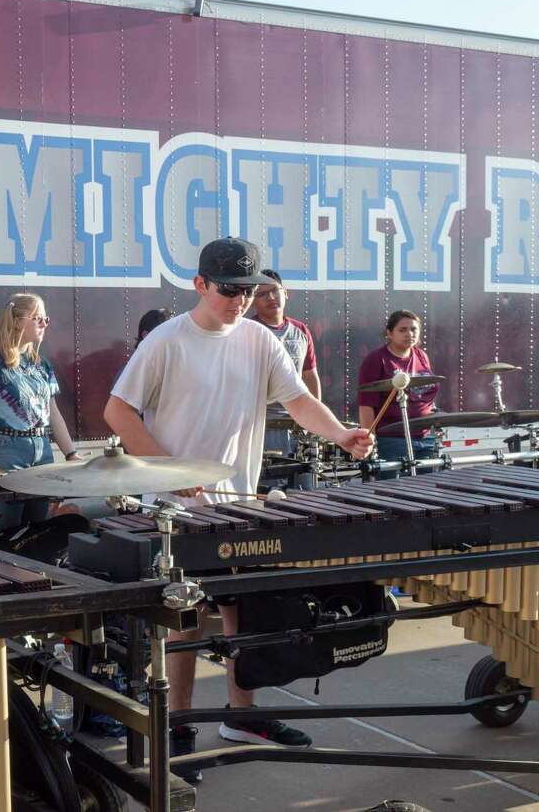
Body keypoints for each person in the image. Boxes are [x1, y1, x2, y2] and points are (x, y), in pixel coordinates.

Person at [103, 237, 372, 782]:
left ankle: (241, 716)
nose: (241, 301)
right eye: (230, 290)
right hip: (175, 510)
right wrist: (170, 475)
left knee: (243, 614)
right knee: (182, 620)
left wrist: (342, 433)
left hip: (235, 504)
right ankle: (178, 723)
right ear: (199, 284)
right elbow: (117, 411)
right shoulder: (166, 340)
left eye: (248, 291)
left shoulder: (259, 340)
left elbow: (298, 400)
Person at [0, 293, 80, 531]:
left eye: (46, 319)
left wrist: (70, 453)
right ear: (18, 321)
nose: (44, 324)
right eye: (38, 318)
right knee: (5, 530)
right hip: (8, 451)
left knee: (38, 529)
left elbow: (54, 413)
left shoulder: (42, 365)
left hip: (42, 451)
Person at [250, 269, 320, 465]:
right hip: (263, 424)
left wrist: (313, 419)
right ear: (253, 301)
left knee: (304, 487)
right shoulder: (248, 331)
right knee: (272, 490)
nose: (271, 298)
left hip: (299, 423)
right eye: (262, 294)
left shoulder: (301, 330)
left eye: (275, 290)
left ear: (286, 292)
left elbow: (310, 376)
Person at [357, 310, 440, 466]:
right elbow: (366, 405)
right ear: (389, 333)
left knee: (427, 487)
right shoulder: (376, 359)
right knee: (396, 489)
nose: (409, 334)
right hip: (392, 439)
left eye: (413, 329)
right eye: (403, 330)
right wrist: (370, 441)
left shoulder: (421, 355)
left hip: (426, 437)